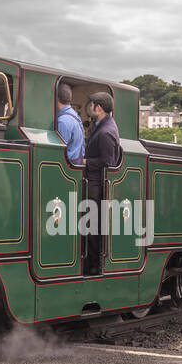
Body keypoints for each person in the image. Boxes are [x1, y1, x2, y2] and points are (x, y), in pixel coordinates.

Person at [82, 92, 122, 275]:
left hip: (96, 186)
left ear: (98, 107)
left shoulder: (106, 132)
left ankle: (93, 266)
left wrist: (86, 162)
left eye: (91, 105)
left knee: (92, 229)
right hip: (94, 183)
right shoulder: (102, 126)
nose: (89, 108)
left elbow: (108, 162)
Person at [54, 82, 85, 165]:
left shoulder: (63, 121)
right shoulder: (74, 114)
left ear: (56, 98)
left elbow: (59, 153)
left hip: (68, 164)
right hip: (76, 162)